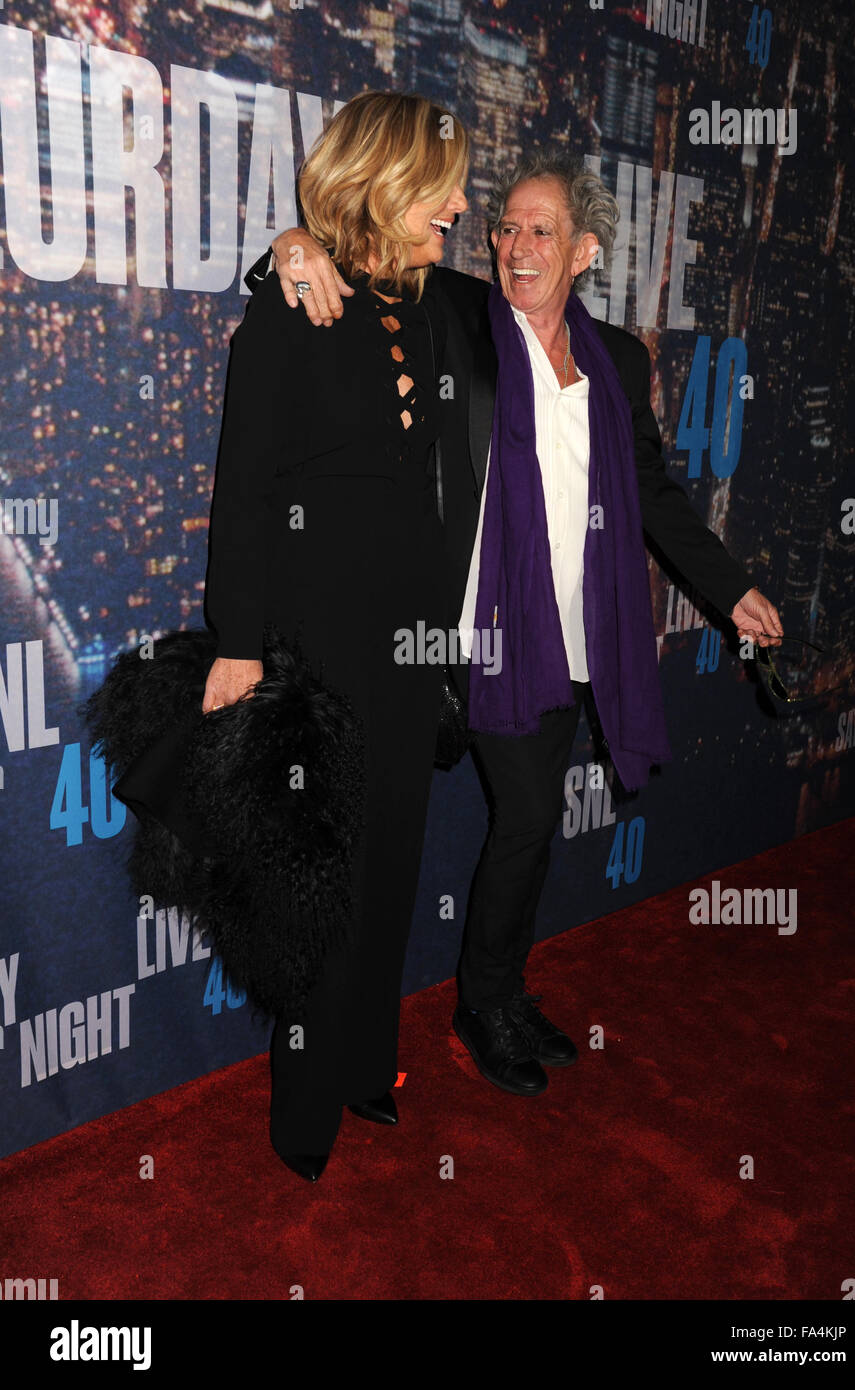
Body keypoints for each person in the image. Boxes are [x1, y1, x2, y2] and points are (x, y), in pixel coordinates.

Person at [255, 151, 782, 1106]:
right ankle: (484, 1002)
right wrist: (289, 251)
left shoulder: (618, 360)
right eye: (504, 227)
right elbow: (364, 261)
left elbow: (652, 495)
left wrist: (728, 589)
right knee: (532, 814)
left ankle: (500, 988)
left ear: (583, 251)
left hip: (589, 630)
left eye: (541, 231)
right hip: (493, 632)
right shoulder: (463, 321)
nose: (514, 245)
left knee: (530, 830)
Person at [203, 91, 469, 1182]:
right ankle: (303, 1106)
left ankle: (366, 1062)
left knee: (394, 859)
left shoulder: (444, 305)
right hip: (316, 636)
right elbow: (247, 486)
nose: (460, 204)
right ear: (390, 178)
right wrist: (240, 638)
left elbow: (537, 327)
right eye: (444, 185)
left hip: (411, 637)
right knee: (321, 874)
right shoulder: (290, 299)